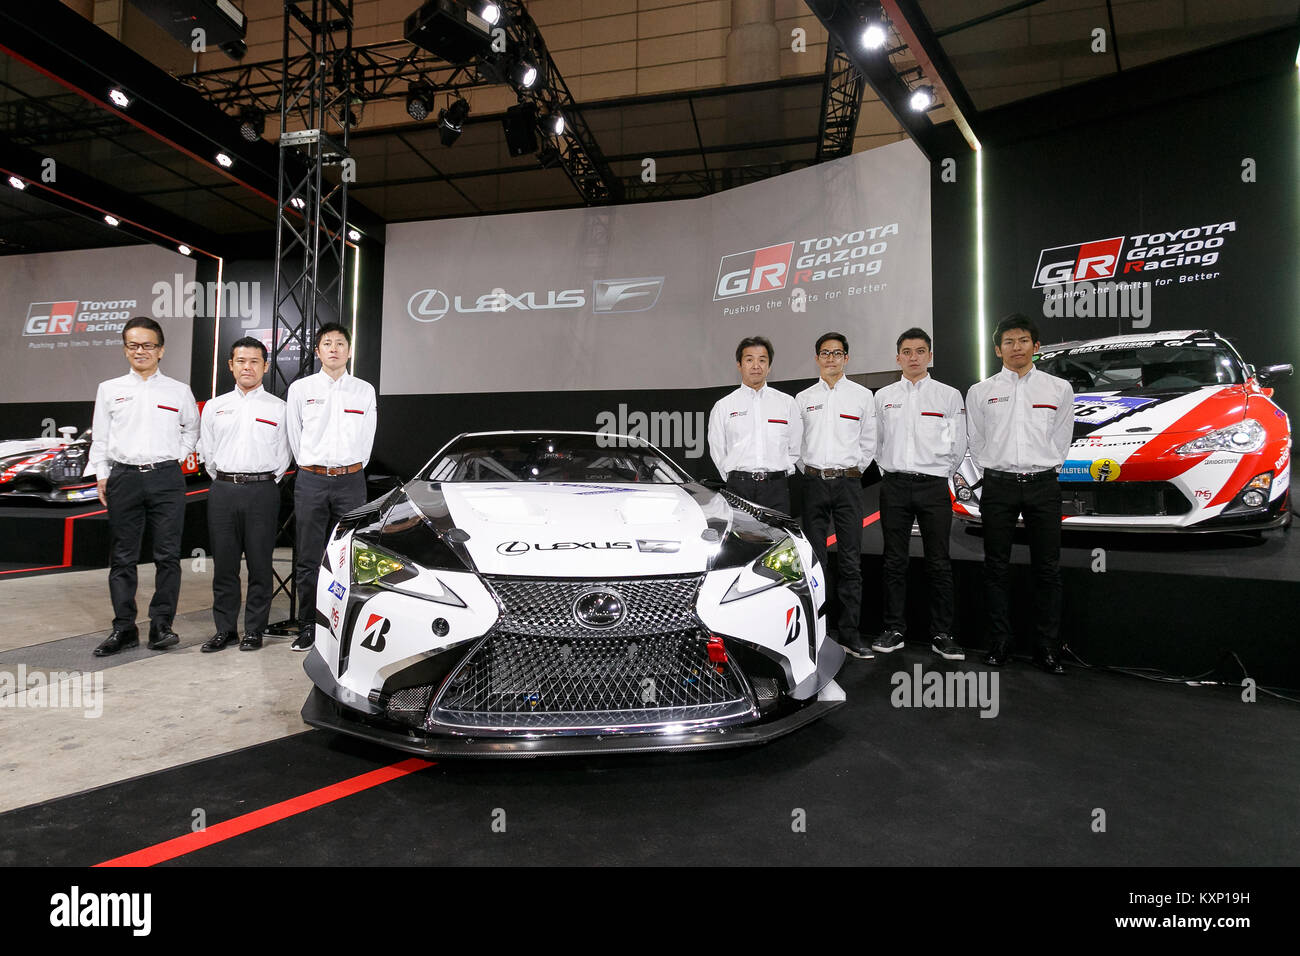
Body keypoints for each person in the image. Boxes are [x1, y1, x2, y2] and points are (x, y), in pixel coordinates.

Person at [966, 314, 1074, 673]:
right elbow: (977, 439)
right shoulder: (981, 392)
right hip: (999, 485)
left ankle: (1047, 647)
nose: (1016, 347)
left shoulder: (1058, 389)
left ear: (1036, 347)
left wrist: (1046, 467)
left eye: (1023, 341)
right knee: (995, 568)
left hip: (1043, 485)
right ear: (998, 349)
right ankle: (1000, 642)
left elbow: (1062, 438)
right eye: (1009, 342)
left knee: (1048, 570)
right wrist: (994, 468)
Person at [86, 316, 199, 656]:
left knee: (167, 556)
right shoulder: (110, 389)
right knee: (122, 558)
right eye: (133, 345)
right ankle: (124, 628)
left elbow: (191, 431)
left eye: (148, 345)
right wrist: (102, 474)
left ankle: (162, 625)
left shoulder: (178, 390)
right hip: (124, 478)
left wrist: (173, 459)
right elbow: (101, 438)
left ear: (161, 350)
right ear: (125, 349)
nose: (141, 351)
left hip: (165, 478)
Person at [871, 328, 967, 661]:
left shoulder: (949, 396)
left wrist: (941, 472)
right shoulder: (882, 397)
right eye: (907, 352)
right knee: (894, 562)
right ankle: (893, 629)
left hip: (933, 486)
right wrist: (889, 471)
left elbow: (959, 444)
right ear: (898, 357)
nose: (913, 357)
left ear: (930, 356)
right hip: (894, 486)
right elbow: (876, 442)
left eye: (920, 351)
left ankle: (943, 634)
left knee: (939, 563)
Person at [285, 322, 376, 651]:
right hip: (310, 480)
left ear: (349, 350)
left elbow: (367, 440)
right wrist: (313, 467)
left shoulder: (364, 390)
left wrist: (349, 470)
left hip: (351, 482)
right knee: (309, 557)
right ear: (318, 350)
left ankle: (349, 626)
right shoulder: (301, 389)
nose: (334, 348)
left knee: (351, 557)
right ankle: (309, 624)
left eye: (340, 343)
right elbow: (294, 436)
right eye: (327, 343)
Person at [198, 338, 291, 653]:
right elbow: (207, 453)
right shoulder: (215, 406)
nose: (247, 367)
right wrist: (226, 479)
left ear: (265, 366)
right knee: (224, 566)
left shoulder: (279, 409)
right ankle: (225, 630)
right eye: (241, 361)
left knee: (260, 566)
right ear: (231, 365)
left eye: (254, 361)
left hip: (263, 491)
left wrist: (263, 481)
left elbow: (284, 456)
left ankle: (254, 630)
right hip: (223, 490)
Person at [795, 332, 876, 659]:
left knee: (851, 562)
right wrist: (810, 471)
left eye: (837, 353)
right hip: (813, 484)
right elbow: (796, 446)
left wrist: (851, 470)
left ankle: (850, 634)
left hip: (848, 485)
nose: (831, 358)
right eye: (825, 353)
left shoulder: (861, 396)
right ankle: (819, 635)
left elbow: (870, 442)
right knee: (815, 563)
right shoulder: (802, 399)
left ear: (846, 358)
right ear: (817, 358)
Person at [707, 336, 802, 514]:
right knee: (742, 541)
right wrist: (734, 477)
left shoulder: (787, 403)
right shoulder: (724, 406)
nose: (756, 366)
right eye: (749, 359)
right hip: (739, 489)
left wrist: (778, 473)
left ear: (769, 366)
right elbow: (717, 448)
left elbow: (795, 446)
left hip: (776, 489)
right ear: (739, 365)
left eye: (762, 360)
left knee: (779, 540)